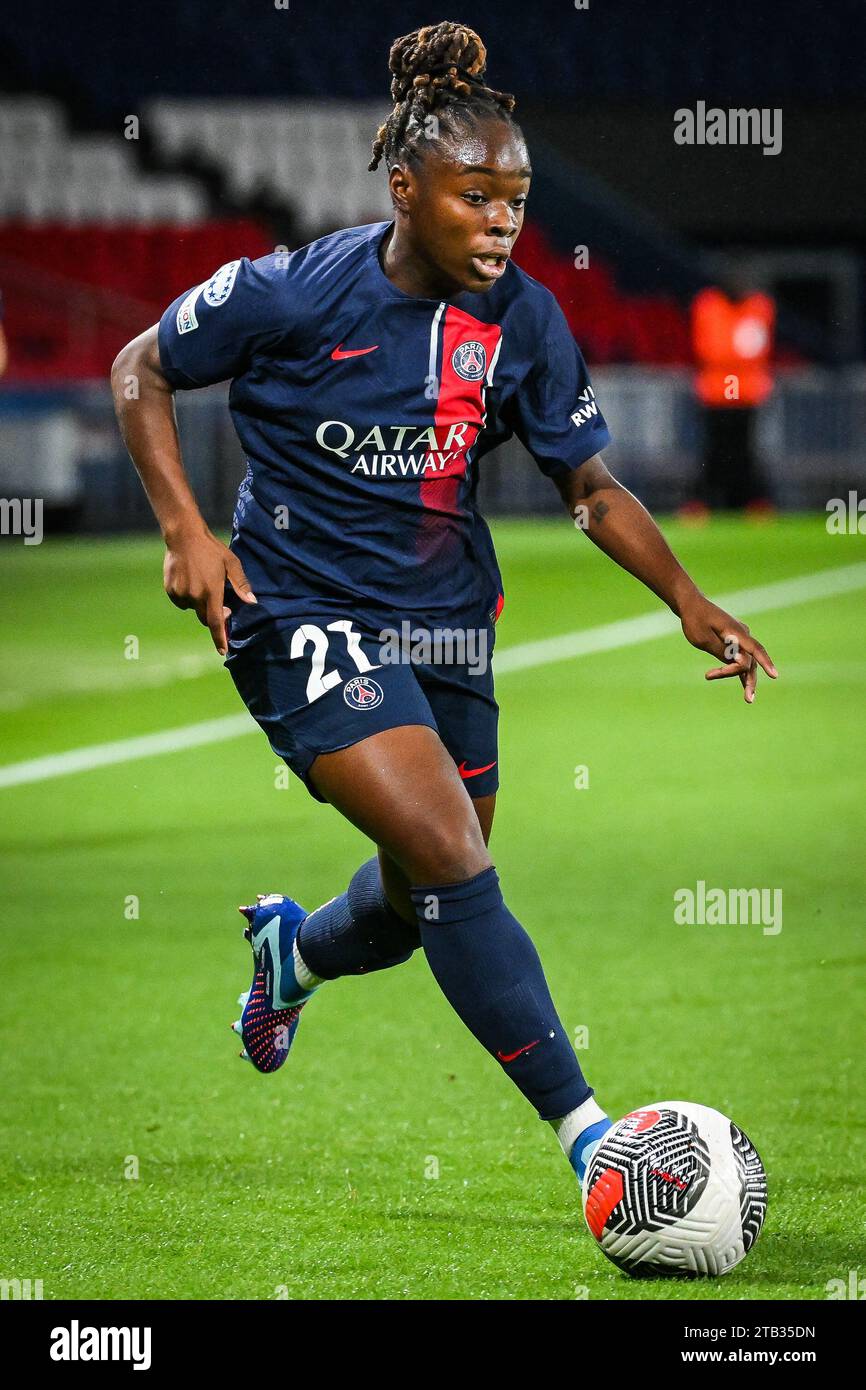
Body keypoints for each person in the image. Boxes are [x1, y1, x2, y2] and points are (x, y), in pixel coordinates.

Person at [112, 20, 777, 1194]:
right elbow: (139, 370)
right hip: (295, 607)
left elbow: (589, 483)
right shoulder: (290, 290)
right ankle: (596, 1147)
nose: (502, 223)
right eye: (476, 197)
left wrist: (686, 596)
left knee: (422, 898)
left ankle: (292, 952)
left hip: (445, 624)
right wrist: (185, 531)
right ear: (406, 189)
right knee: (449, 857)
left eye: (516, 200)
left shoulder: (523, 319)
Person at [691, 272, 776, 511]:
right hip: (716, 394)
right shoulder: (708, 304)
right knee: (715, 451)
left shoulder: (760, 306)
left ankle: (750, 503)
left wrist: (733, 355)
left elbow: (757, 350)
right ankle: (705, 503)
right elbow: (711, 351)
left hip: (748, 394)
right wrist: (736, 355)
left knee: (746, 452)